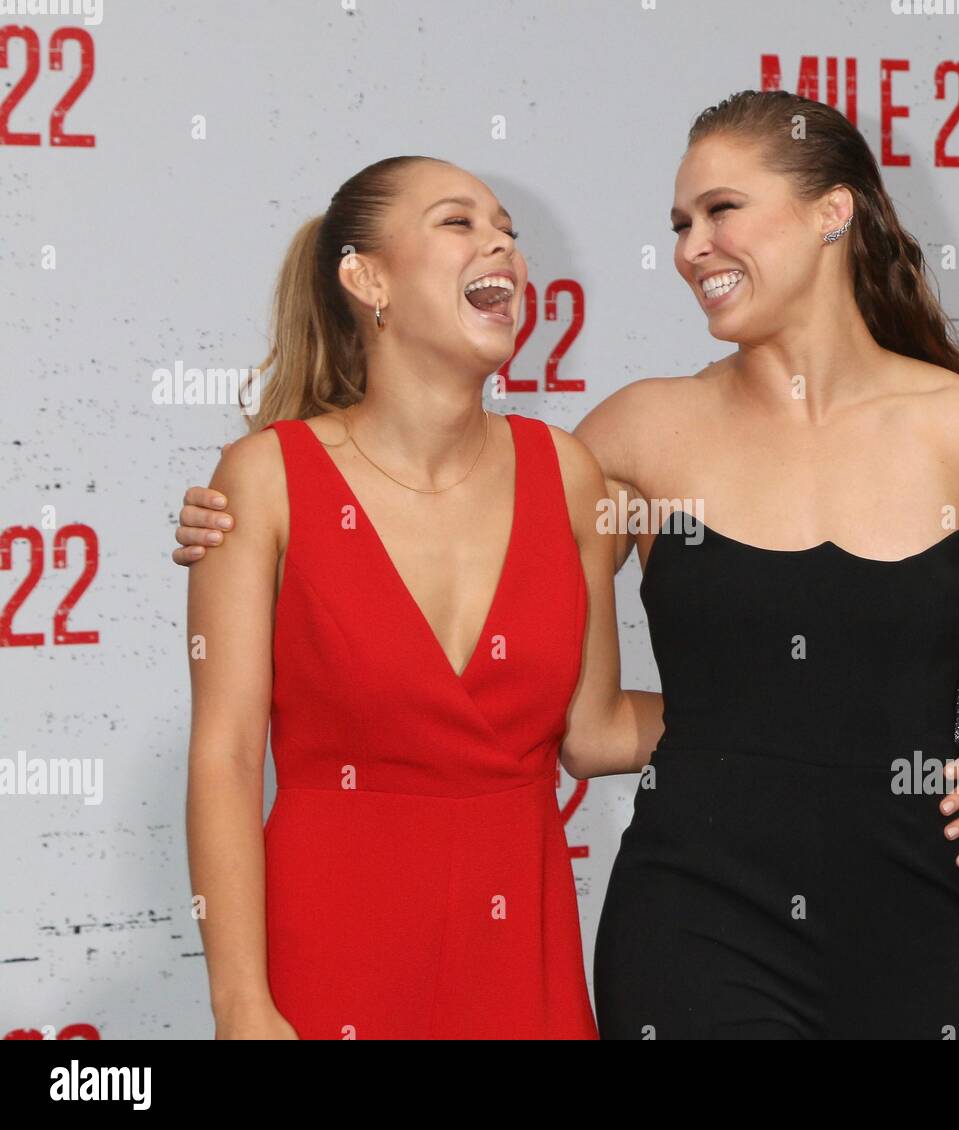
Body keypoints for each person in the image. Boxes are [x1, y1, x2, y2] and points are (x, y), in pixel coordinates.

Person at [177, 91, 959, 1039]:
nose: (689, 248)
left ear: (832, 211)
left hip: (905, 919)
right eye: (680, 223)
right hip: (692, 925)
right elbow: (573, 710)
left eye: (721, 211)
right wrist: (258, 514)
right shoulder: (631, 439)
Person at [185, 155, 661, 1040]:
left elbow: (592, 732)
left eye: (510, 234)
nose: (503, 249)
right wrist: (240, 1002)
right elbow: (226, 756)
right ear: (368, 279)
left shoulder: (565, 473)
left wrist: (786, 720)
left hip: (521, 966)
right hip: (325, 960)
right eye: (459, 223)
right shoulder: (264, 483)